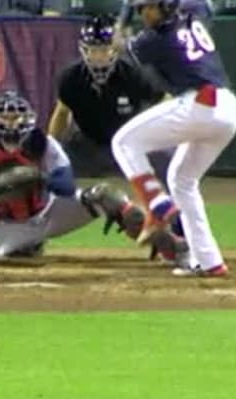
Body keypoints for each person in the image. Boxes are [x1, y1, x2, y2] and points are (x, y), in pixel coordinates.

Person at [111, 0, 236, 277]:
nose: (145, 13)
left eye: (149, 7)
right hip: (228, 111)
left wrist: (125, 10)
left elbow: (119, 46)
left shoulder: (155, 38)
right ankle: (209, 261)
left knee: (124, 142)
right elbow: (200, 0)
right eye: (142, 8)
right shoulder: (194, 13)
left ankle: (156, 204)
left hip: (200, 105)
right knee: (182, 181)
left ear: (166, 5)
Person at [45, 15, 183, 256]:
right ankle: (31, 231)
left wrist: (161, 135)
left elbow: (166, 102)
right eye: (93, 50)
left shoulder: (134, 72)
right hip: (85, 143)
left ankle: (177, 234)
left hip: (129, 144)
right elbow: (61, 114)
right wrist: (51, 152)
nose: (99, 56)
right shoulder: (70, 78)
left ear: (114, 49)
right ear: (83, 50)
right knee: (47, 175)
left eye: (104, 49)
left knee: (172, 171)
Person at [0, 90, 140, 265]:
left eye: (16, 117)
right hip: (6, 220)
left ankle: (154, 235)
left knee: (105, 195)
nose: (11, 123)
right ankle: (24, 245)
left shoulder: (42, 142)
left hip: (50, 213)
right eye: (5, 117)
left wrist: (35, 177)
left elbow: (66, 185)